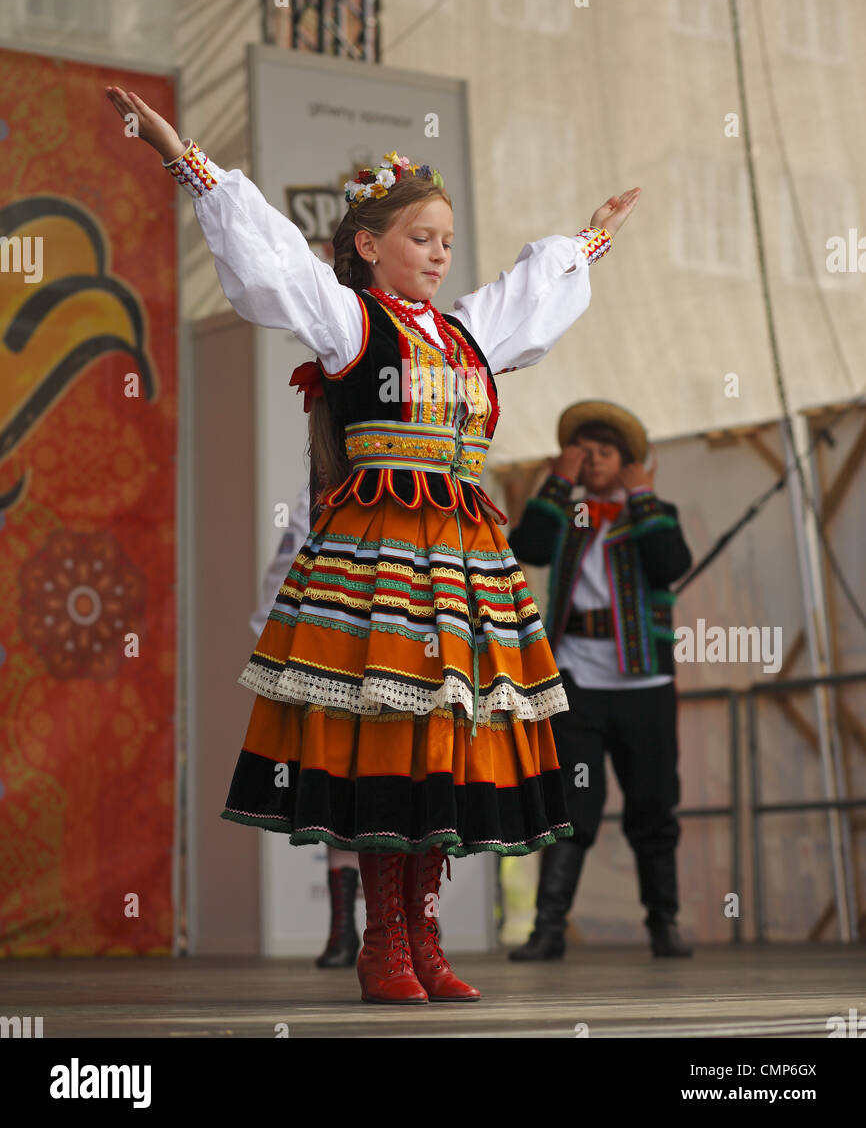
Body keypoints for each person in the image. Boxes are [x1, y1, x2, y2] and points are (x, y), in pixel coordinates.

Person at [105, 83, 640, 1004]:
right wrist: (180, 154)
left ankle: (424, 933)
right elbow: (268, 247)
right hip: (381, 552)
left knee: (450, 734)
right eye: (421, 238)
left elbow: (535, 290)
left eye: (444, 240)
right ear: (367, 245)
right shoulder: (354, 321)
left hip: (464, 559)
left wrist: (589, 240)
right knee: (388, 730)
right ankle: (380, 937)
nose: (438, 253)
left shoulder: (472, 332)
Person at [507, 400, 693, 960]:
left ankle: (664, 924)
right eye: (582, 453)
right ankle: (548, 929)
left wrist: (642, 495)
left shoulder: (656, 512)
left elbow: (669, 562)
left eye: (603, 453)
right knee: (571, 799)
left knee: (653, 803)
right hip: (577, 681)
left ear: (628, 462)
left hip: (644, 688)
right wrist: (556, 480)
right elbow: (528, 547)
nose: (591, 461)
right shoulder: (569, 516)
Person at [251, 472, 361, 969]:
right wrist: (279, 661)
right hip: (334, 661)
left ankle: (407, 925)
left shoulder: (425, 486)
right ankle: (343, 932)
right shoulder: (317, 500)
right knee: (337, 792)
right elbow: (282, 580)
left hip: (406, 660)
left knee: (404, 792)